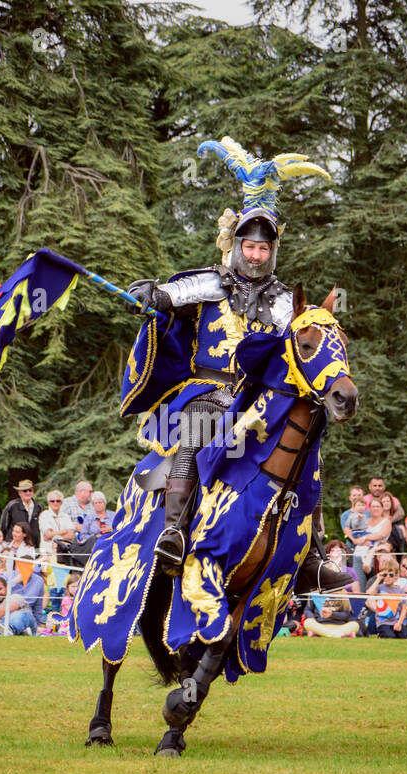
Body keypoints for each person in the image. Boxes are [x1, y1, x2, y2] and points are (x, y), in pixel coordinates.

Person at [123, 142, 344, 594]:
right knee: (196, 429)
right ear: (237, 244)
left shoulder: (285, 301)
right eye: (250, 245)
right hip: (206, 389)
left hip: (256, 397)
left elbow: (305, 343)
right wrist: (152, 295)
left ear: (273, 249)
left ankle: (311, 556)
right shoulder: (209, 281)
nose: (257, 254)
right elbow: (169, 297)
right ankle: (174, 531)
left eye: (264, 247)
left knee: (303, 446)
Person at [0, 480, 43, 548]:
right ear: (19, 493)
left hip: (32, 544)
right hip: (13, 543)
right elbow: (4, 526)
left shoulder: (38, 507)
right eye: (25, 491)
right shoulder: (12, 506)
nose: (28, 493)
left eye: (30, 490)